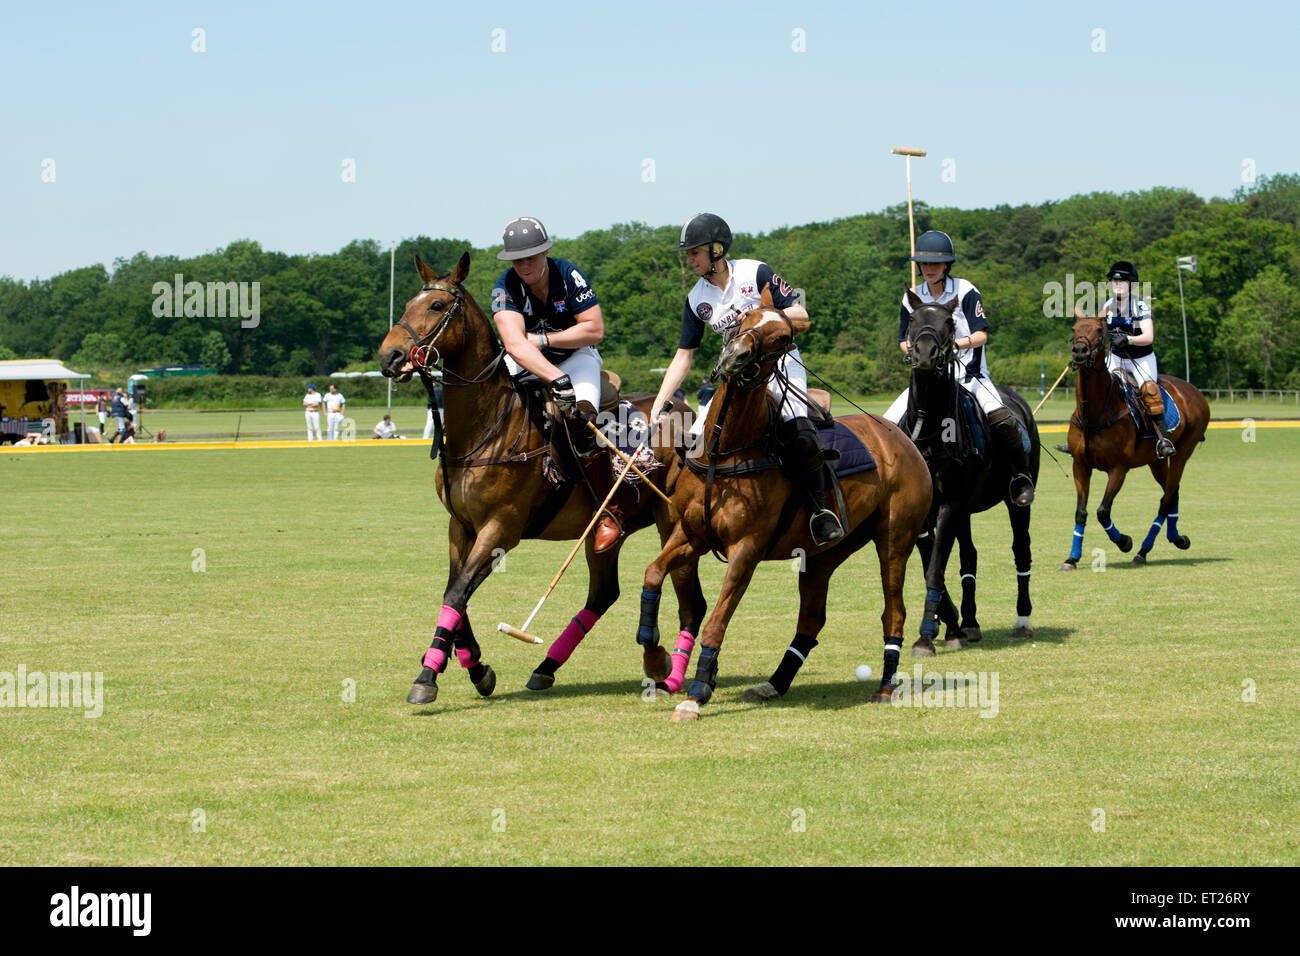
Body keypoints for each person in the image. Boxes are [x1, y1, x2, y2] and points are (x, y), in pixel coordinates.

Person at [650, 212, 843, 545]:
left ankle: (819, 512)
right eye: (688, 253)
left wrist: (759, 317)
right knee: (695, 440)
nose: (689, 259)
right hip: (735, 377)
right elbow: (684, 355)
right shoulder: (697, 299)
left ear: (716, 250)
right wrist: (658, 405)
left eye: (694, 252)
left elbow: (800, 314)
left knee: (798, 430)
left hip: (780, 366)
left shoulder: (755, 272)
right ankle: (700, 509)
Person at [489, 215, 633, 553]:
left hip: (576, 358)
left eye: (531, 256)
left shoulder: (568, 275)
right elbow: (513, 343)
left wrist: (542, 340)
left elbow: (594, 330)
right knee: (492, 404)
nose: (524, 265)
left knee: (581, 419)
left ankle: (609, 513)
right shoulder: (505, 286)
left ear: (546, 252)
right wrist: (554, 377)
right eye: (517, 259)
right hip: (532, 362)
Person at [884, 230, 1035, 506]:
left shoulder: (965, 290)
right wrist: (918, 353)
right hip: (928, 381)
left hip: (970, 376)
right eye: (925, 264)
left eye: (935, 264)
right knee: (887, 425)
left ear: (946, 266)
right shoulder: (912, 298)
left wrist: (953, 346)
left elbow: (981, 335)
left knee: (1001, 417)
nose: (929, 269)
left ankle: (1019, 475)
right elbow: (902, 340)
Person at [1101, 261, 1174, 458]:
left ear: (1131, 284)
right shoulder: (1106, 305)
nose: (1117, 285)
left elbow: (1149, 337)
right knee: (1095, 385)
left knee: (1149, 390)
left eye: (1121, 281)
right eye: (1114, 282)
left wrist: (1128, 338)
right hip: (1116, 358)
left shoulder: (1139, 305)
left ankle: (1162, 439)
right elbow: (1096, 328)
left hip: (1141, 359)